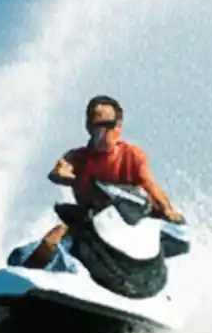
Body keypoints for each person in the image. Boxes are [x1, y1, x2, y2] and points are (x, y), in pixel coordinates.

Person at [24, 95, 183, 269]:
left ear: (119, 126)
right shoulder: (79, 157)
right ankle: (25, 276)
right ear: (88, 127)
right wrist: (73, 178)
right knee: (50, 242)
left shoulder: (132, 155)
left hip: (128, 219)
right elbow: (58, 171)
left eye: (108, 125)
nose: (102, 133)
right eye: (97, 126)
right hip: (89, 219)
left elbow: (149, 185)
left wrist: (167, 209)